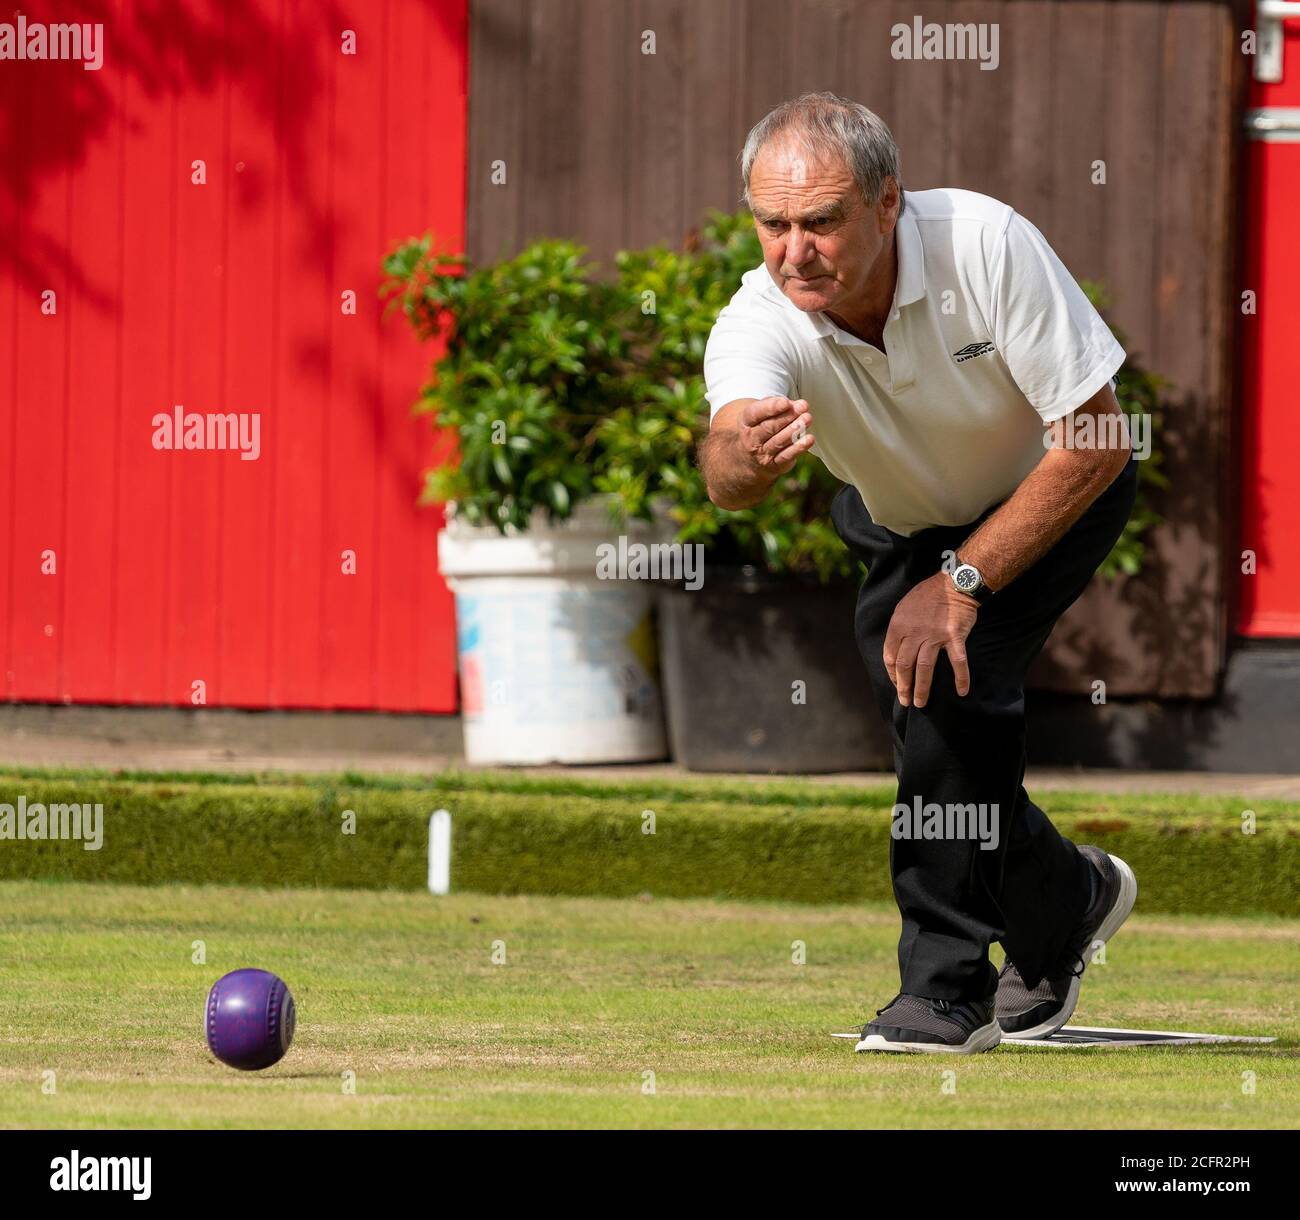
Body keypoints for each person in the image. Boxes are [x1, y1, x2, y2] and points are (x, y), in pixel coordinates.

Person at [700, 92, 1138, 1054]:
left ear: (887, 202)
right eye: (772, 224)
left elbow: (1099, 437)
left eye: (821, 221)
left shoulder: (985, 241)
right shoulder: (760, 315)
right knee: (941, 741)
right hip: (901, 520)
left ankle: (943, 991)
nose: (793, 251)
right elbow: (727, 465)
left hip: (1051, 488)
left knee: (943, 705)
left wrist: (962, 583)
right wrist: (741, 454)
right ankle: (1067, 896)